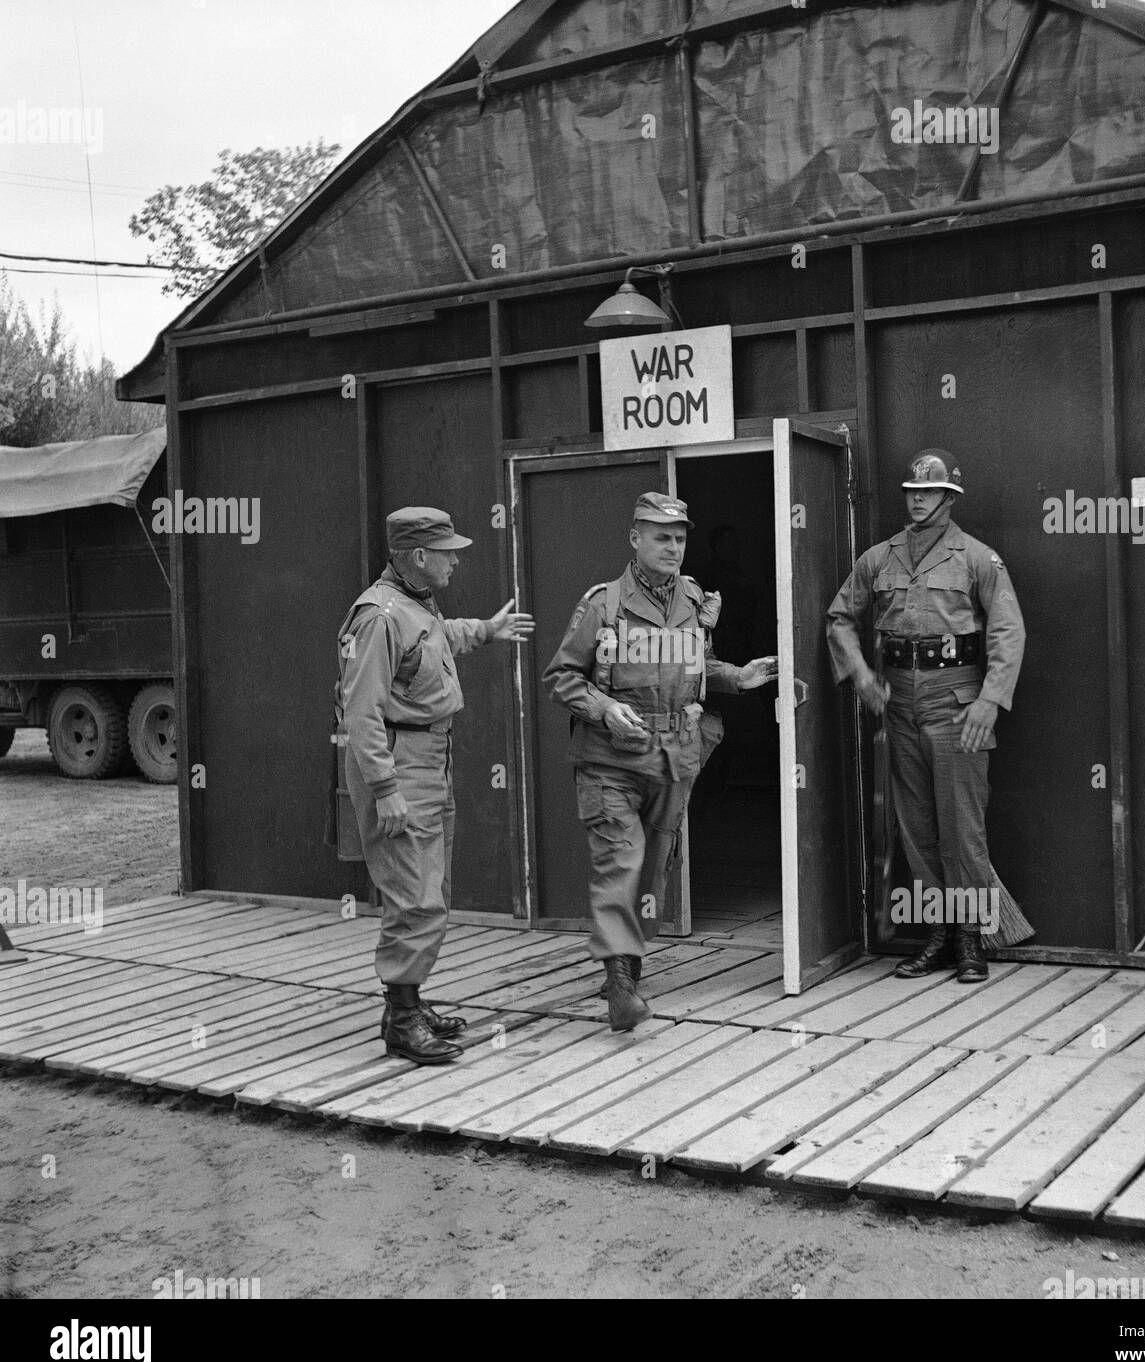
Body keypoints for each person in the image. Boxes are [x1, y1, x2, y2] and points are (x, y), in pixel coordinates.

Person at [543, 493, 778, 1031]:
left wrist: (737, 678)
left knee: (654, 866)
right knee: (619, 860)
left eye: (679, 538)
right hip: (611, 760)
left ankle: (627, 961)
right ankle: (620, 985)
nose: (673, 547)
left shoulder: (693, 601)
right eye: (661, 537)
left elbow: (700, 667)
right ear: (635, 539)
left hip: (673, 756)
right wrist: (603, 709)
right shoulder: (603, 604)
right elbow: (561, 677)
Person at [335, 506, 534, 1064]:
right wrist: (385, 788)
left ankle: (409, 1000)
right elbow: (361, 714)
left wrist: (487, 632)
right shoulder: (377, 615)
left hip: (429, 755)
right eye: (448, 551)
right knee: (413, 892)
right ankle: (400, 1019)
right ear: (419, 557)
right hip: (398, 761)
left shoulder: (412, 603)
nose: (455, 560)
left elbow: (434, 639)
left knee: (430, 889)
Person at [826, 450, 1025, 983]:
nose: (917, 498)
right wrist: (861, 675)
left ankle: (969, 939)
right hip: (899, 705)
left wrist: (990, 699)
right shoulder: (878, 558)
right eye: (911, 490)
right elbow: (840, 617)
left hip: (956, 704)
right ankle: (938, 935)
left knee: (962, 827)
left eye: (929, 490)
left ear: (949, 496)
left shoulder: (978, 558)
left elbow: (1008, 631)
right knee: (916, 828)